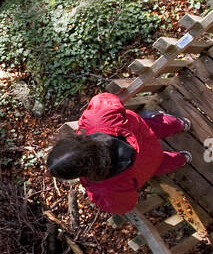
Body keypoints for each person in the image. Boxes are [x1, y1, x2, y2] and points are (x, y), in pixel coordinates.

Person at [46, 91, 192, 215]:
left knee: (162, 163)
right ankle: (180, 123)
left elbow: (124, 205)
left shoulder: (104, 187)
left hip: (148, 165)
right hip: (143, 132)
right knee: (158, 124)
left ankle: (182, 159)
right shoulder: (96, 120)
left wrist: (92, 193)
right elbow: (105, 99)